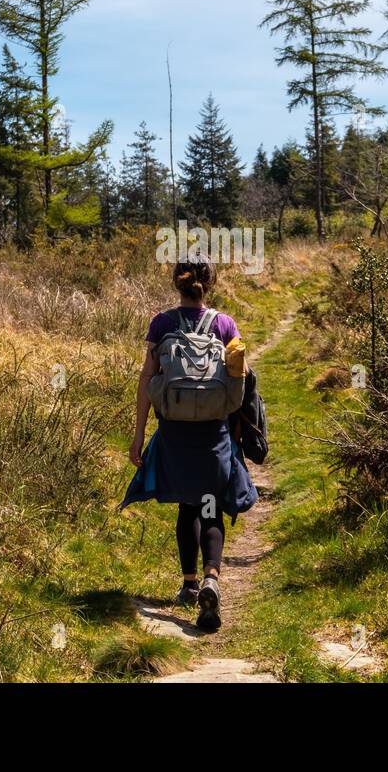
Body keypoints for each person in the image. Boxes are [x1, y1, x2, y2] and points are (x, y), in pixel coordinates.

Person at [124, 257, 255, 632]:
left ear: (177, 284)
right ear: (209, 284)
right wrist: (238, 438)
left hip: (175, 433)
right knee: (211, 507)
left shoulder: (162, 324)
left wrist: (138, 434)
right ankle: (212, 578)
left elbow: (147, 380)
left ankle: (189, 584)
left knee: (187, 508)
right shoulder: (225, 324)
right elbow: (239, 384)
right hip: (214, 435)